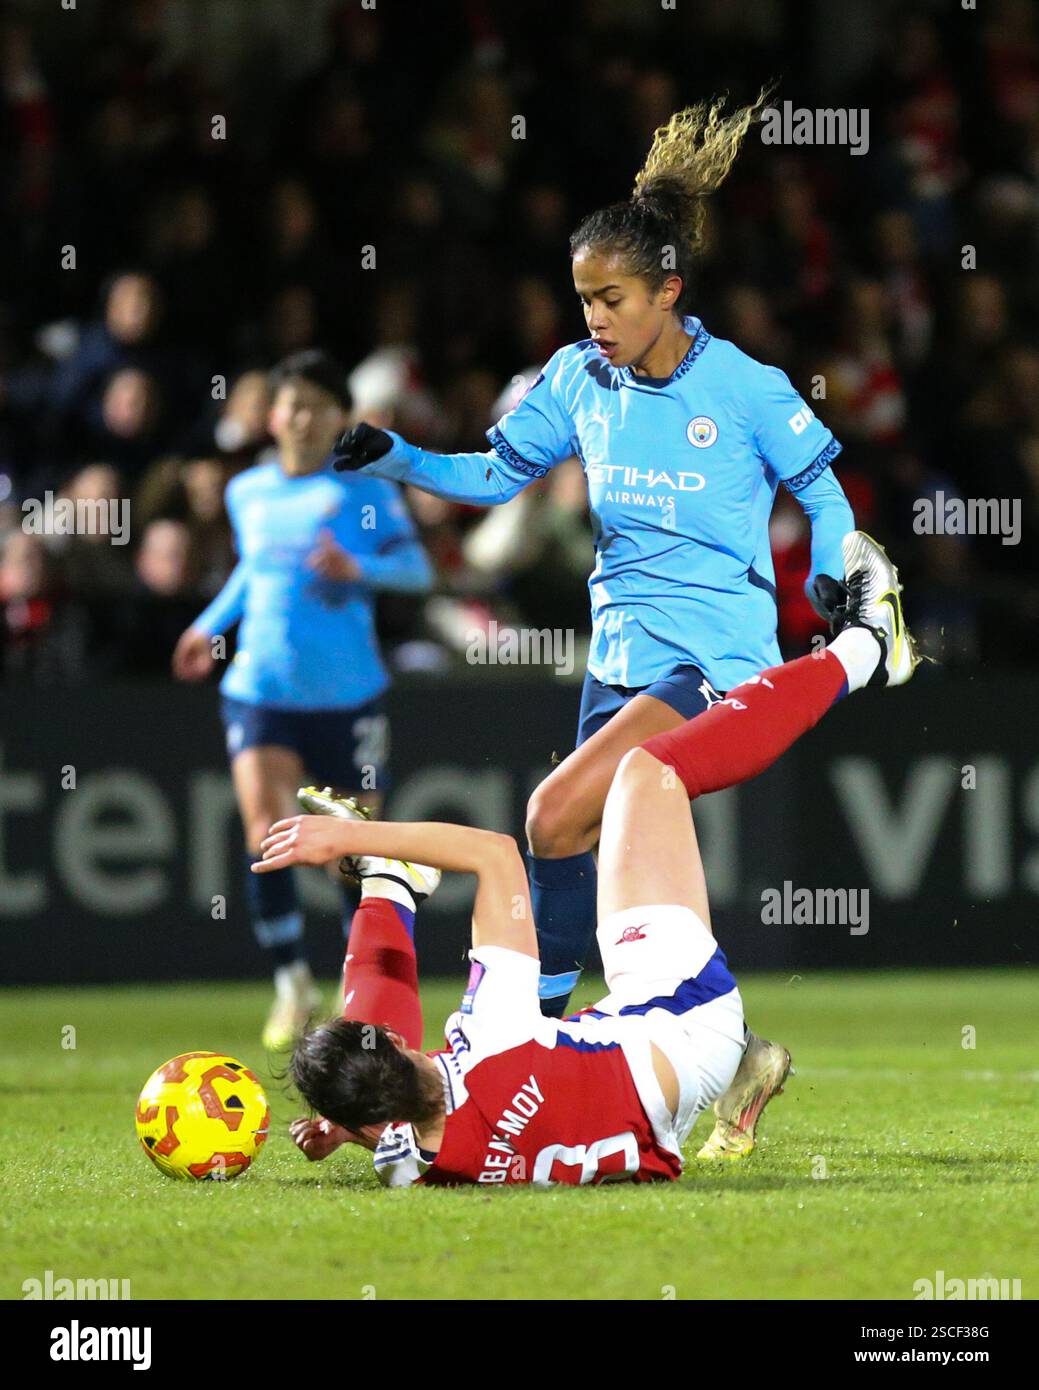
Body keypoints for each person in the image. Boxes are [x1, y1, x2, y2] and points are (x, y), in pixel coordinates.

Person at [328, 91, 856, 1026]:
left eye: (612, 299)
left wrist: (825, 562)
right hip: (617, 656)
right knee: (617, 853)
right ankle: (712, 1045)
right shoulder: (577, 378)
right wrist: (396, 455)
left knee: (550, 815)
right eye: (584, 298)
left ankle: (536, 1026)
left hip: (711, 657)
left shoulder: (741, 385)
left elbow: (818, 488)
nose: (596, 316)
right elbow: (496, 476)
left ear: (668, 293)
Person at [259, 533, 918, 1186]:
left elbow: (404, 1102)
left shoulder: (406, 1164)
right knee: (645, 771)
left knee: (567, 814)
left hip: (650, 1102)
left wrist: (348, 1126)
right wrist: (354, 840)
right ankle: (864, 648)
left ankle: (390, 887)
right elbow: (491, 856)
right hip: (681, 1017)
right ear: (402, 1055)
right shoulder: (496, 1036)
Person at [173, 350, 433, 1049]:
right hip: (260, 688)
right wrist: (209, 626)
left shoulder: (367, 490)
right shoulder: (248, 492)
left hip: (348, 694)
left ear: (337, 418)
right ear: (273, 413)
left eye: (319, 405)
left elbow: (417, 568)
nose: (303, 416)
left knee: (355, 851)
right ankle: (292, 985)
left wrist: (361, 566)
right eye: (293, 403)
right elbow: (253, 573)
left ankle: (361, 996)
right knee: (268, 831)